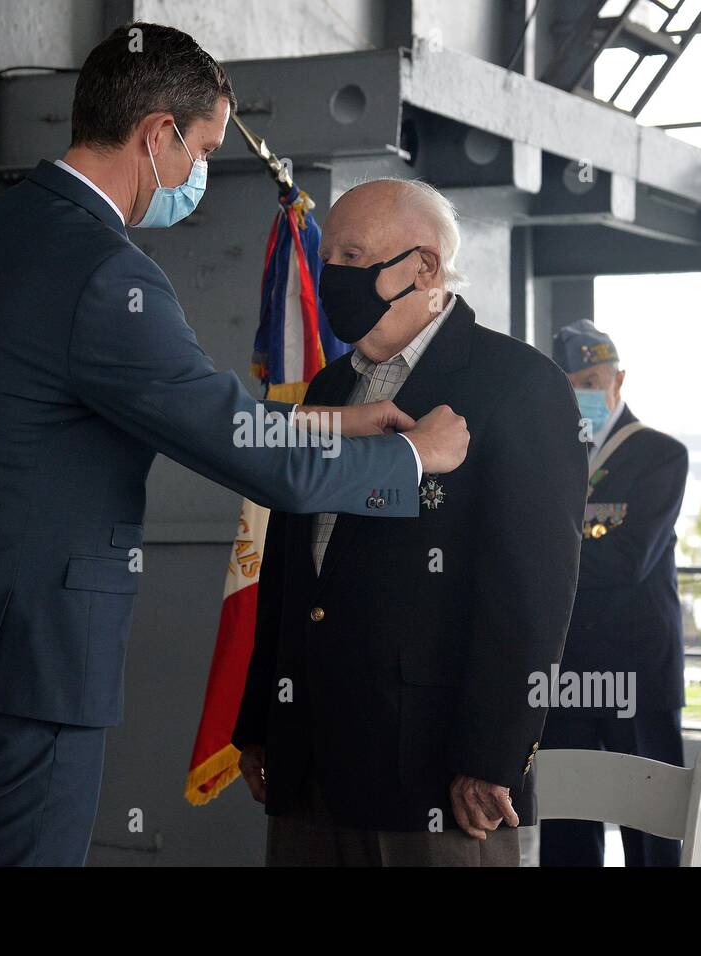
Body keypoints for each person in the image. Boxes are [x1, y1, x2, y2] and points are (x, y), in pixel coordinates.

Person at [0, 23, 470, 867]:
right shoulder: (103, 273)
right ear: (157, 134)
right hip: (31, 669)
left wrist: (336, 419)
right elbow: (245, 450)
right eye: (199, 148)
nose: (197, 173)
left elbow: (145, 410)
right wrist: (414, 458)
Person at [232, 179, 587, 866]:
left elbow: (533, 593)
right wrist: (260, 722)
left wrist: (491, 755)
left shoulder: (517, 384)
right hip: (308, 759)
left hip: (435, 772)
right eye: (328, 256)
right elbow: (286, 573)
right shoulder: (329, 390)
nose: (332, 273)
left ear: (425, 269)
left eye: (353, 254)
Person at [539, 319, 689, 867]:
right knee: (565, 830)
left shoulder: (659, 455)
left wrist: (541, 559)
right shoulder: (546, 458)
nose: (586, 393)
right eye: (573, 382)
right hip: (565, 671)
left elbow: (629, 562)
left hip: (637, 671)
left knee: (650, 832)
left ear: (619, 380)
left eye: (595, 379)